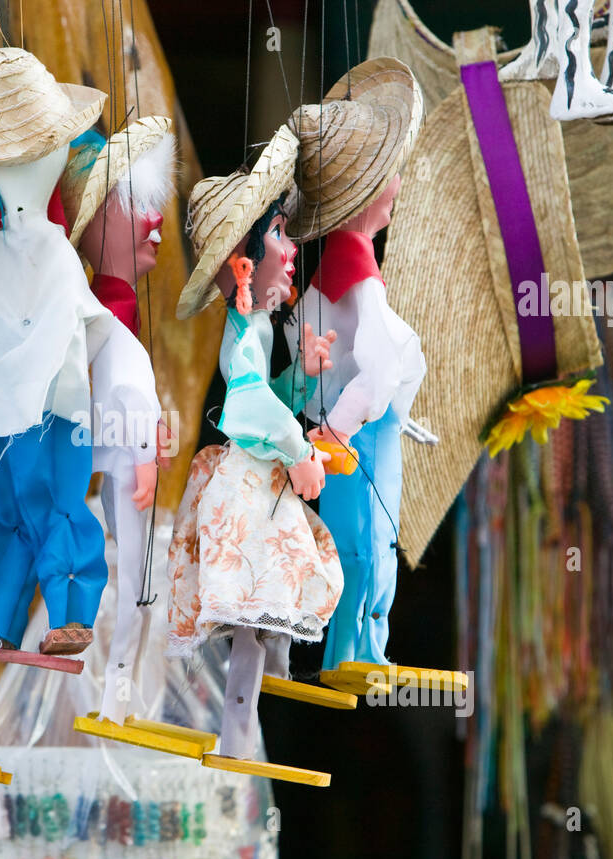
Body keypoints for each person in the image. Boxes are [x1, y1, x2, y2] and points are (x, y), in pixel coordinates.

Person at [167, 126, 342, 761]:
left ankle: (260, 694)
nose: (290, 249)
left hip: (258, 485)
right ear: (243, 258)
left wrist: (300, 377)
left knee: (271, 603)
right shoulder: (242, 333)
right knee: (253, 619)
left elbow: (266, 394)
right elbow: (244, 404)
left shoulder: (258, 326)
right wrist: (296, 450)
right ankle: (237, 733)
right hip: (247, 487)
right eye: (278, 235)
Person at [0, 48, 114, 657]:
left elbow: (78, 321)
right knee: (5, 512)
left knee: (54, 505)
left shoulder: (51, 254)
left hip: (42, 409)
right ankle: (2, 617)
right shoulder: (0, 257)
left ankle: (68, 612)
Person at [287, 59, 431, 671]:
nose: (398, 184)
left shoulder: (341, 268)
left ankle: (356, 647)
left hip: (356, 426)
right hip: (357, 434)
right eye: (390, 174)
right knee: (366, 541)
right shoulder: (355, 271)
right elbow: (372, 367)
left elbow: (311, 338)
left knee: (364, 537)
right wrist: (340, 428)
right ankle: (356, 648)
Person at [61, 115, 174, 722]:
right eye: (135, 204)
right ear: (98, 219)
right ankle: (110, 691)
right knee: (122, 569)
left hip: (120, 457)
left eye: (151, 202)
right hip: (111, 457)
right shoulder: (90, 324)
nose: (154, 221)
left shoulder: (105, 324)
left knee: (135, 573)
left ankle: (117, 697)